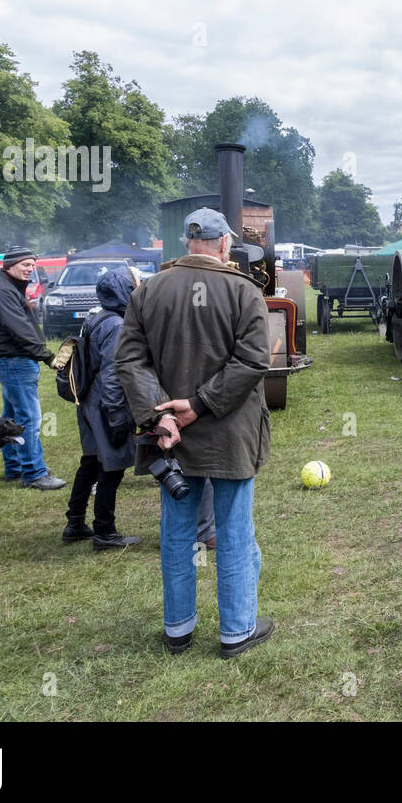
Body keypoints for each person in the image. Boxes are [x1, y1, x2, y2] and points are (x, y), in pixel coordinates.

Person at [115, 209, 274, 659]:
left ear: (188, 242)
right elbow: (252, 361)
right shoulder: (244, 291)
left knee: (177, 533)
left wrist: (161, 415)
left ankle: (178, 629)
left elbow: (130, 362)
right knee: (234, 533)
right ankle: (237, 631)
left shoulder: (148, 291)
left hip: (171, 439)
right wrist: (198, 406)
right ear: (224, 244)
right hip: (229, 434)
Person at [62, 269, 142, 551]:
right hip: (105, 403)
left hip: (87, 400)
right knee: (112, 467)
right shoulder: (117, 325)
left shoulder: (95, 316)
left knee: (92, 461)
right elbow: (112, 375)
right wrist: (118, 415)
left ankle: (75, 523)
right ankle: (105, 532)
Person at [0, 246, 64, 490]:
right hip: (14, 361)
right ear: (9, 265)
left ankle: (15, 468)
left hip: (12, 360)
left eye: (32, 265)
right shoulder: (1, 291)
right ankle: (34, 473)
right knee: (29, 418)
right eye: (25, 264)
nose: (30, 269)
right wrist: (47, 356)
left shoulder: (7, 288)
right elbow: (19, 328)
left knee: (11, 417)